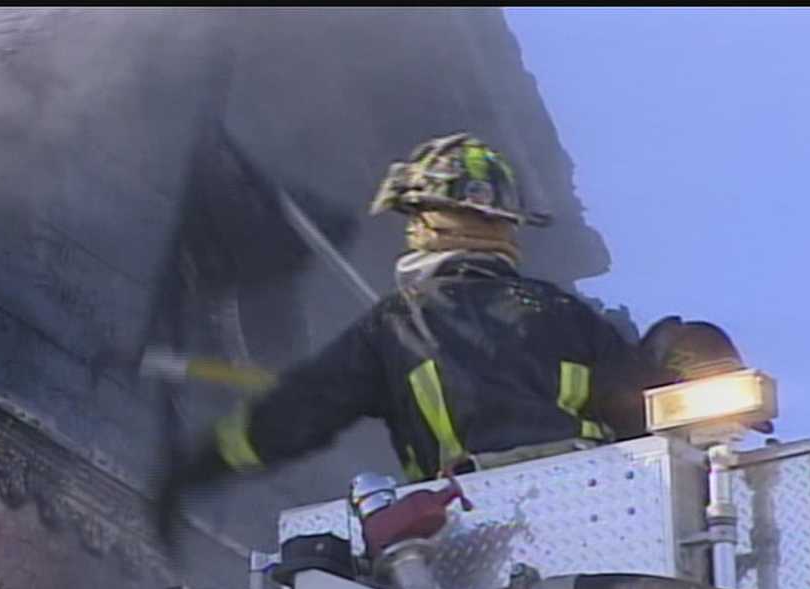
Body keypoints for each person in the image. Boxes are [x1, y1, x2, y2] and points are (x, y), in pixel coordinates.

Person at [153, 132, 737, 541]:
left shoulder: (400, 325)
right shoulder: (566, 314)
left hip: (465, 523)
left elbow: (293, 416)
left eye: (414, 219)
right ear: (506, 227)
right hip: (602, 510)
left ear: (432, 221)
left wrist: (197, 469)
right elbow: (643, 409)